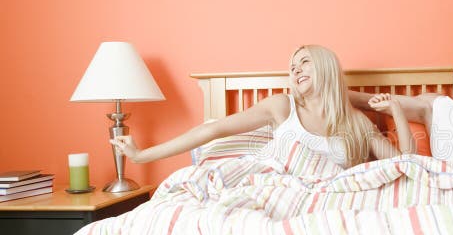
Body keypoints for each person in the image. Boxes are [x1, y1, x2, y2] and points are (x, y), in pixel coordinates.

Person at [110, 45, 415, 168]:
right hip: (273, 190)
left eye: (305, 62)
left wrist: (397, 111)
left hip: (327, 203)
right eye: (292, 67)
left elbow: (407, 163)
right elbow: (213, 129)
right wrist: (142, 156)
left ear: (327, 68)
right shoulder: (282, 107)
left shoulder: (357, 123)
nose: (295, 70)